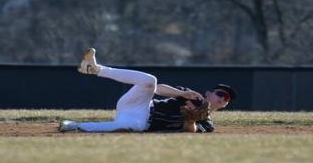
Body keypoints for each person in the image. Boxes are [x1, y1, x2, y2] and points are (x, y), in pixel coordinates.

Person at [58, 48, 234, 133]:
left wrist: (191, 118)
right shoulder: (191, 95)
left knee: (127, 127)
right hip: (139, 105)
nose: (223, 98)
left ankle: (74, 126)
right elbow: (157, 89)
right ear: (208, 93)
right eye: (220, 93)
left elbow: (190, 131)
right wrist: (181, 94)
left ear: (225, 105)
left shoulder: (207, 123)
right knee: (150, 80)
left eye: (226, 99)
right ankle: (95, 69)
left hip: (142, 123)